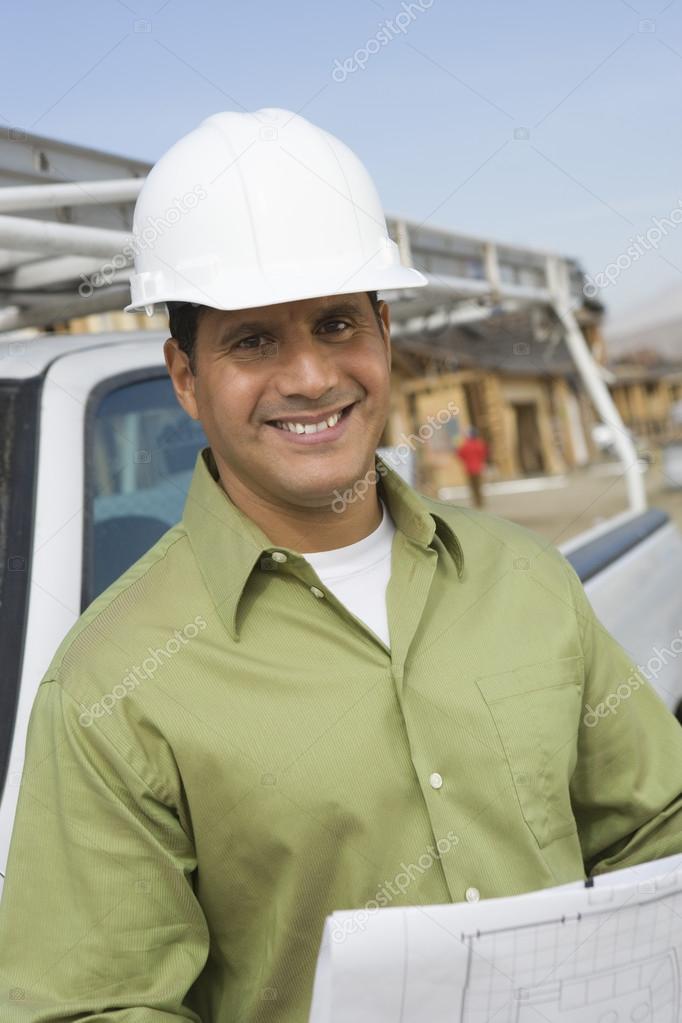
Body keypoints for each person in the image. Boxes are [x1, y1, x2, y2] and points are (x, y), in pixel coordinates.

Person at [1, 108, 681, 1023]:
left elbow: (657, 827)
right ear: (185, 376)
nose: (312, 376)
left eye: (335, 323)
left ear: (385, 332)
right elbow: (96, 1005)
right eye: (252, 340)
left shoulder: (526, 580)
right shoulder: (108, 689)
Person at [456, 425, 488, 507]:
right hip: (478, 468)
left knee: (473, 486)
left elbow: (460, 454)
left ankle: (476, 501)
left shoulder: (465, 445)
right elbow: (484, 454)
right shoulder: (479, 444)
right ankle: (480, 500)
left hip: (469, 468)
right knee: (479, 485)